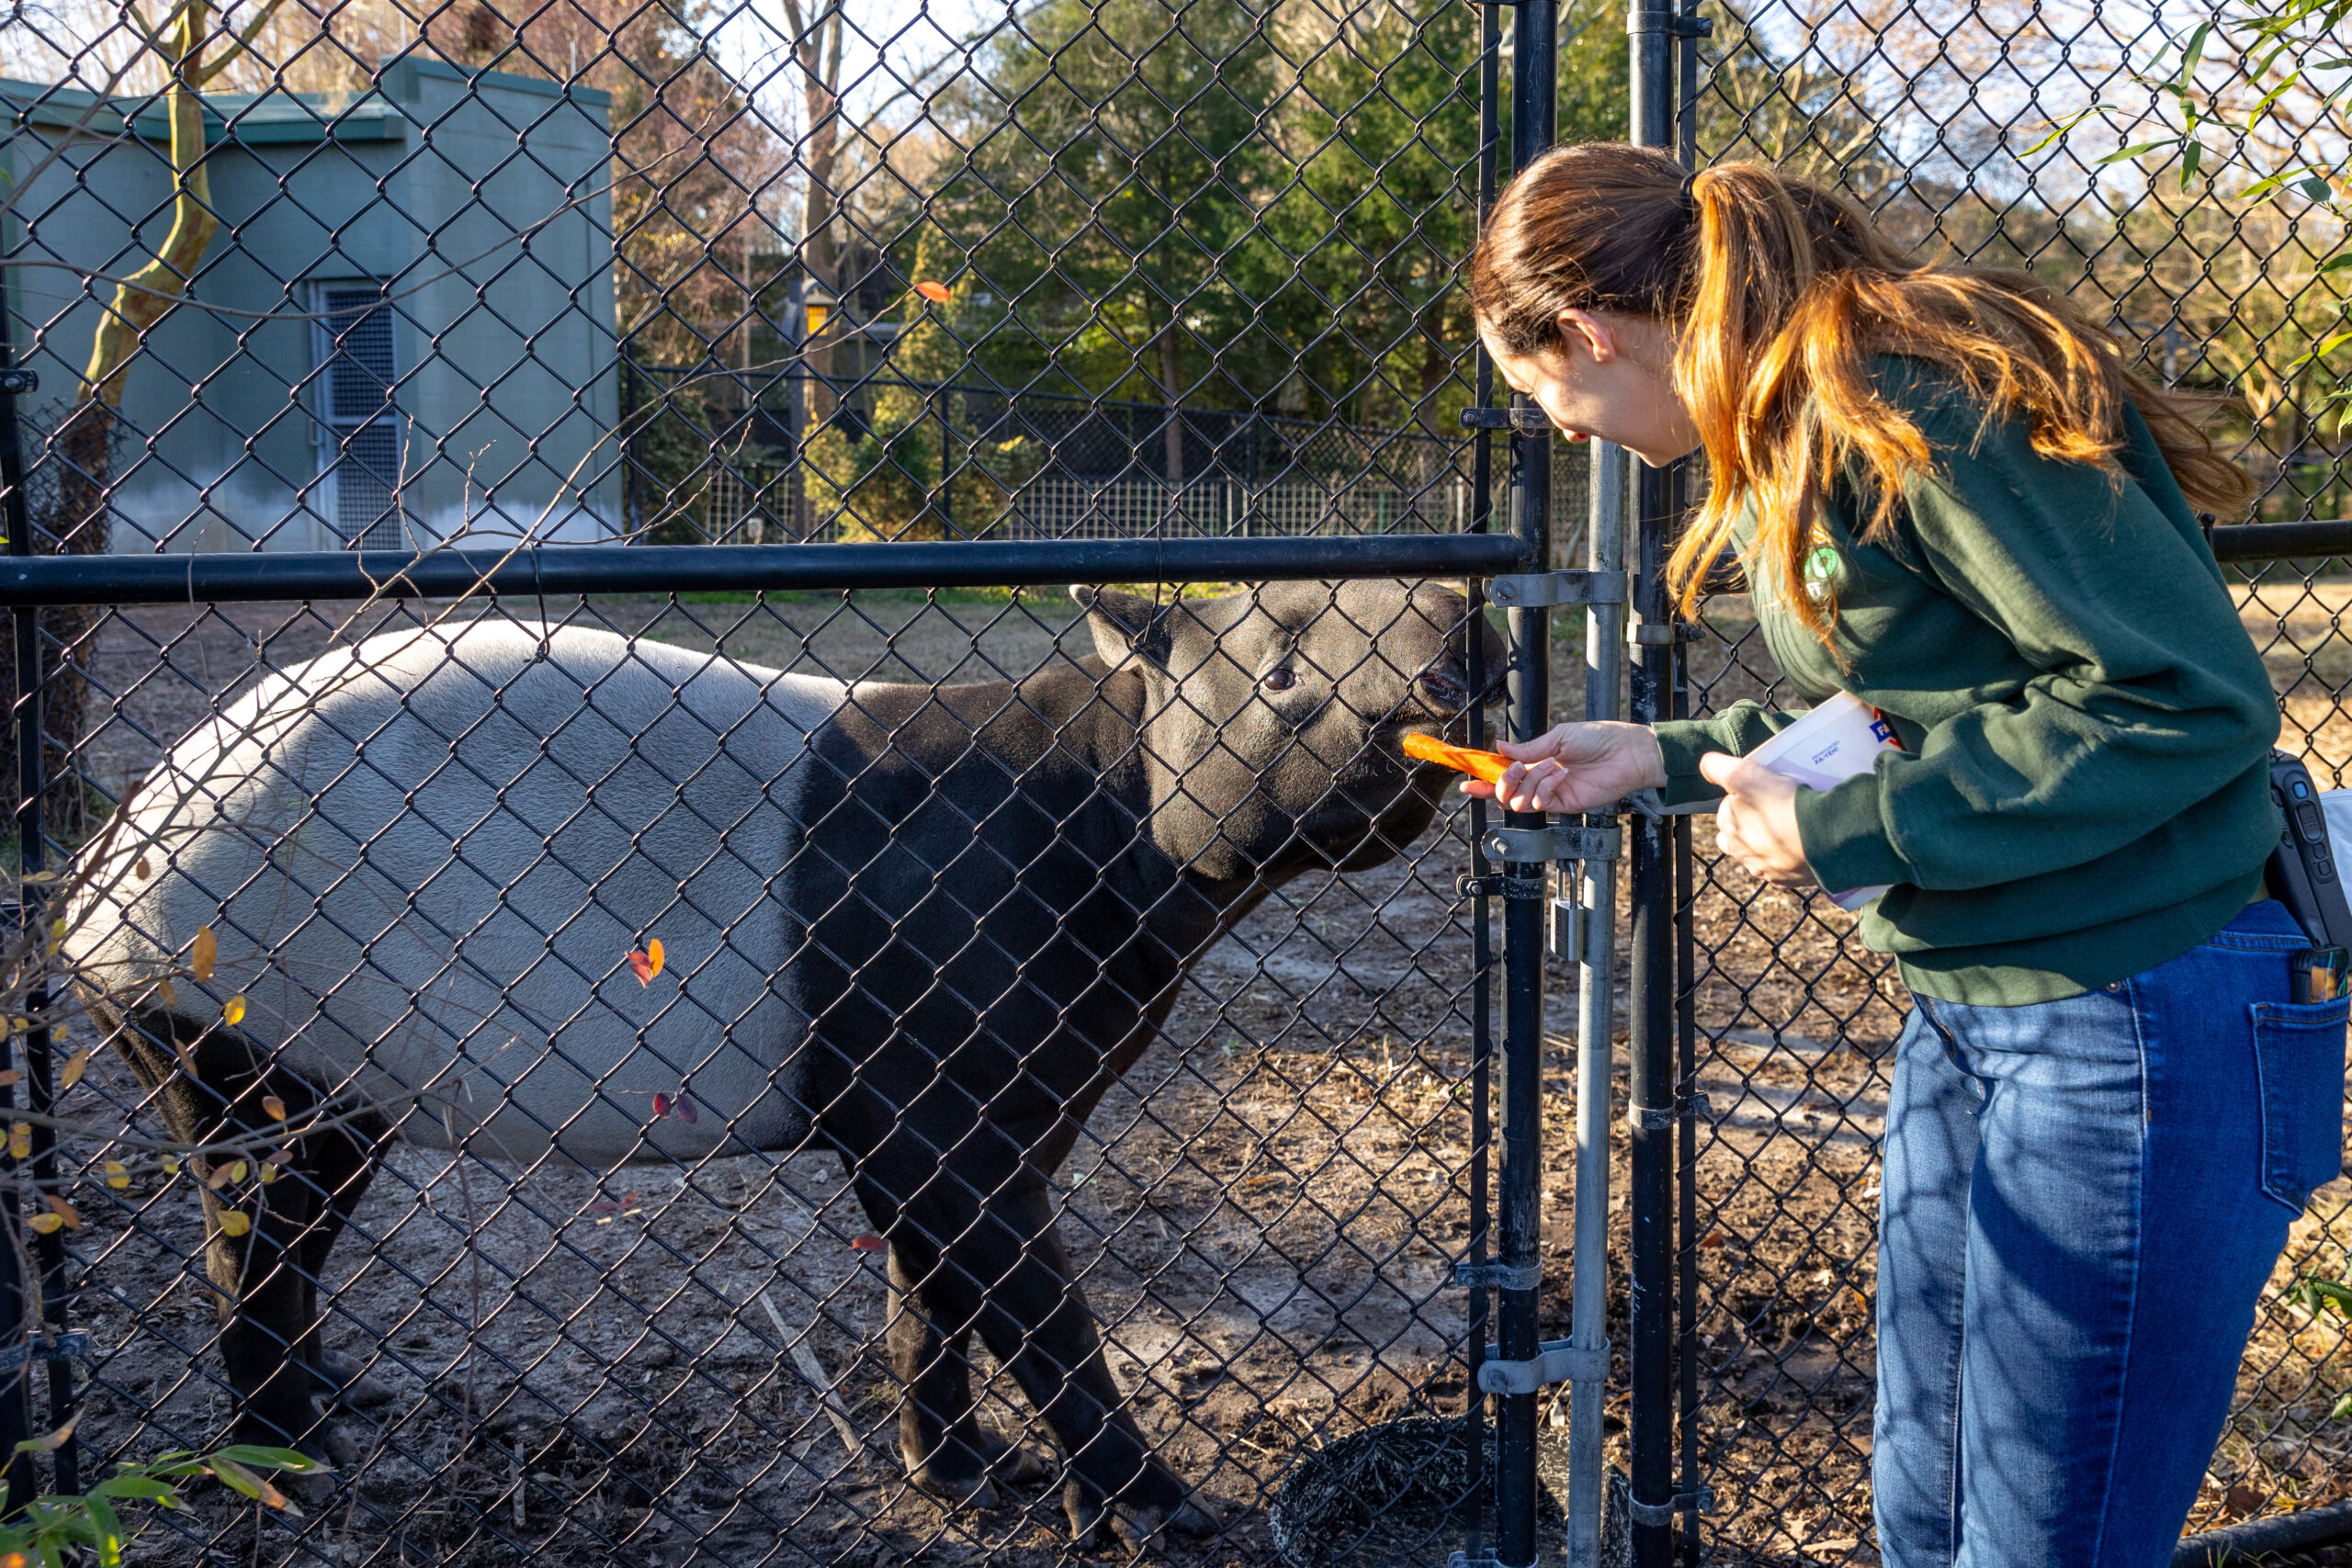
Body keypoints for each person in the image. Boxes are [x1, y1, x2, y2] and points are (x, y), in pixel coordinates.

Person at [1459, 141, 2348, 1568]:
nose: (1565, 431)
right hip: (1988, 999)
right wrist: (1673, 757)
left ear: (1588, 330)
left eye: (1546, 397)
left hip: (2134, 1008)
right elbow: (1934, 691)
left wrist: (1841, 830)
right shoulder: (1804, 409)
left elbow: (2179, 698)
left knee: (2044, 1544)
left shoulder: (1909, 397)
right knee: (1928, 1520)